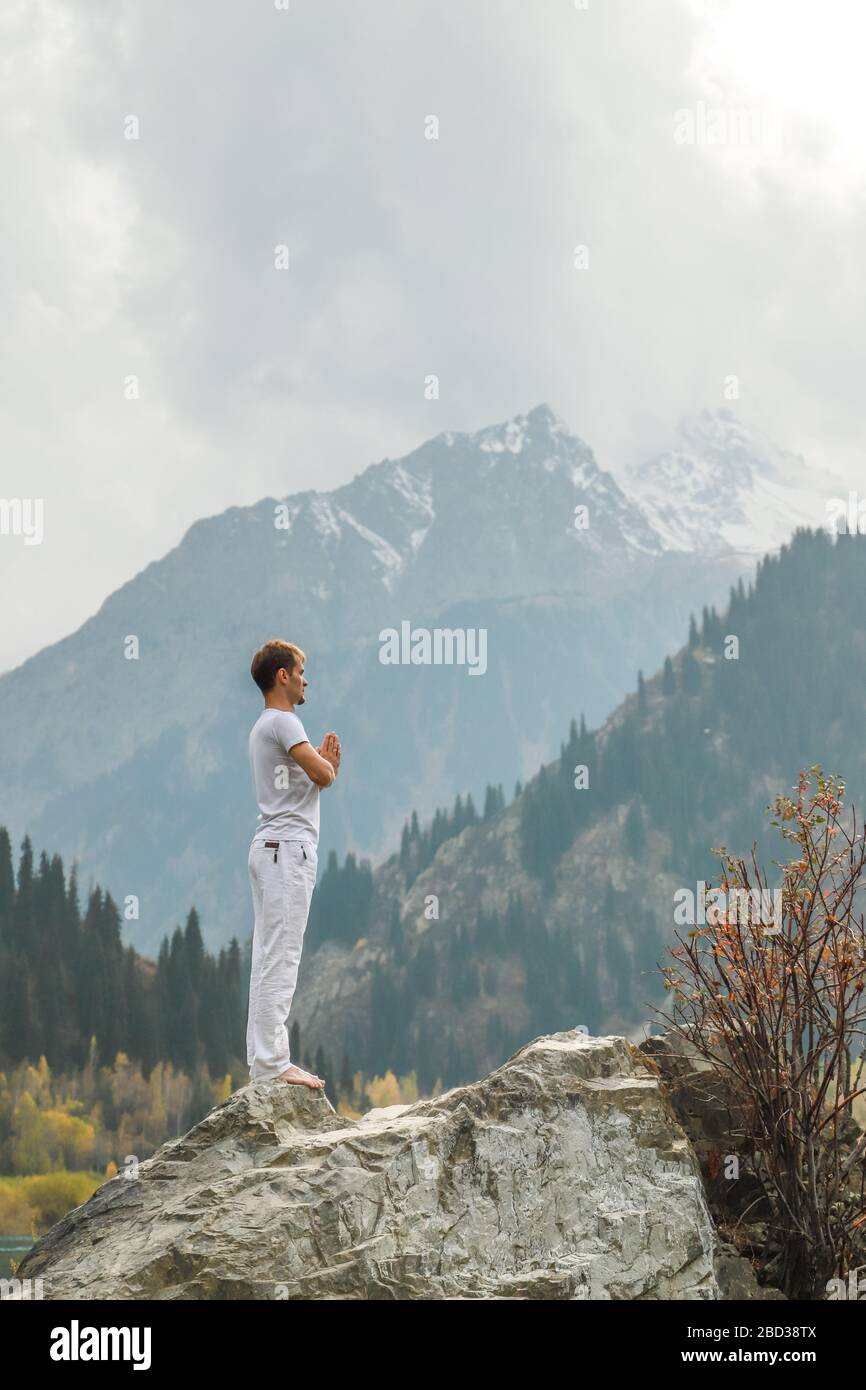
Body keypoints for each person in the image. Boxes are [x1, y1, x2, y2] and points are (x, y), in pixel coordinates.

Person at [246, 639, 341, 1089]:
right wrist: (326, 768)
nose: (307, 680)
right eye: (301, 670)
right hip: (287, 850)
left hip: (270, 846)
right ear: (282, 676)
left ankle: (263, 1063)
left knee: (267, 956)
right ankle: (274, 1064)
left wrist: (319, 773)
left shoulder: (264, 727)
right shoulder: (285, 723)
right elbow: (321, 774)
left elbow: (303, 785)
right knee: (281, 956)